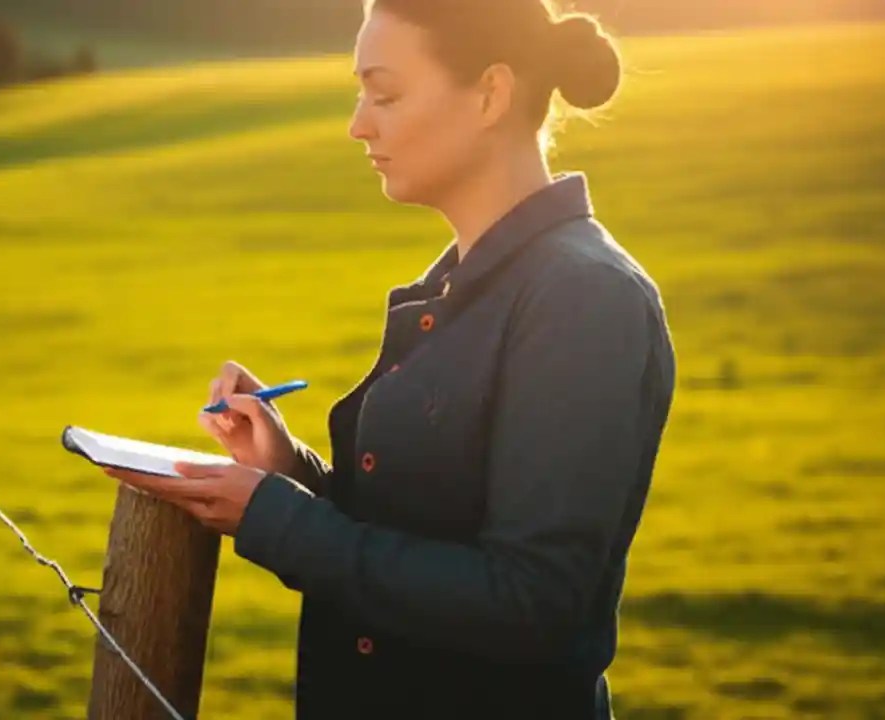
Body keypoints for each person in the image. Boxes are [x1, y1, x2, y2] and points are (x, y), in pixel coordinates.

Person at [105, 0, 676, 717]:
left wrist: (277, 520)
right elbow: (422, 536)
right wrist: (289, 474)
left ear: (492, 94)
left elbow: (532, 601)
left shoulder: (584, 298)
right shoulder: (459, 285)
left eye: (386, 93)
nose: (358, 123)